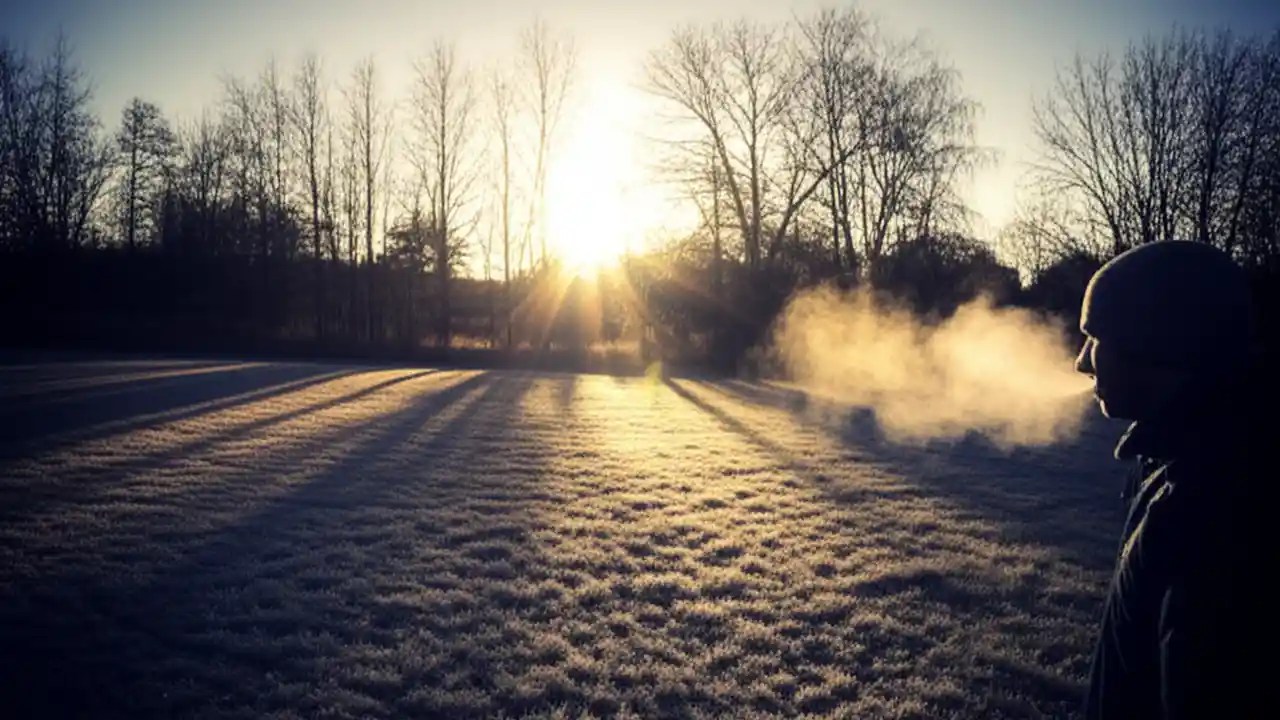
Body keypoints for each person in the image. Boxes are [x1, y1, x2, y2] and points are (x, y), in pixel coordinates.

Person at [1074, 240, 1272, 719]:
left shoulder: (1212, 514)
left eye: (1097, 338)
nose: (1081, 362)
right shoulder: (1181, 461)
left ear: (1155, 347)